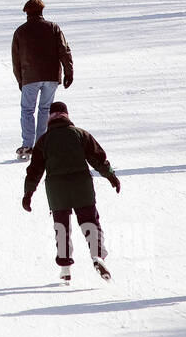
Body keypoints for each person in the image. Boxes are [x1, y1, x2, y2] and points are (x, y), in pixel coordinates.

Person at [22, 101, 121, 283]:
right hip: (81, 185)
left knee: (62, 227)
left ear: (49, 118)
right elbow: (98, 158)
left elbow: (34, 170)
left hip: (57, 189)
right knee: (90, 222)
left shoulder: (44, 140)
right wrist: (111, 176)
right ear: (67, 115)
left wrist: (28, 194)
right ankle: (97, 254)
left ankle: (65, 269)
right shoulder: (80, 134)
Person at [11, 0, 72, 158]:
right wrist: (68, 72)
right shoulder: (53, 28)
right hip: (51, 76)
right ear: (42, 11)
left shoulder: (20, 31)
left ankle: (27, 145)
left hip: (29, 77)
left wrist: (20, 80)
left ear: (27, 13)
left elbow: (15, 60)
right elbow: (64, 51)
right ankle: (42, 143)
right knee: (45, 109)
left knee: (27, 110)